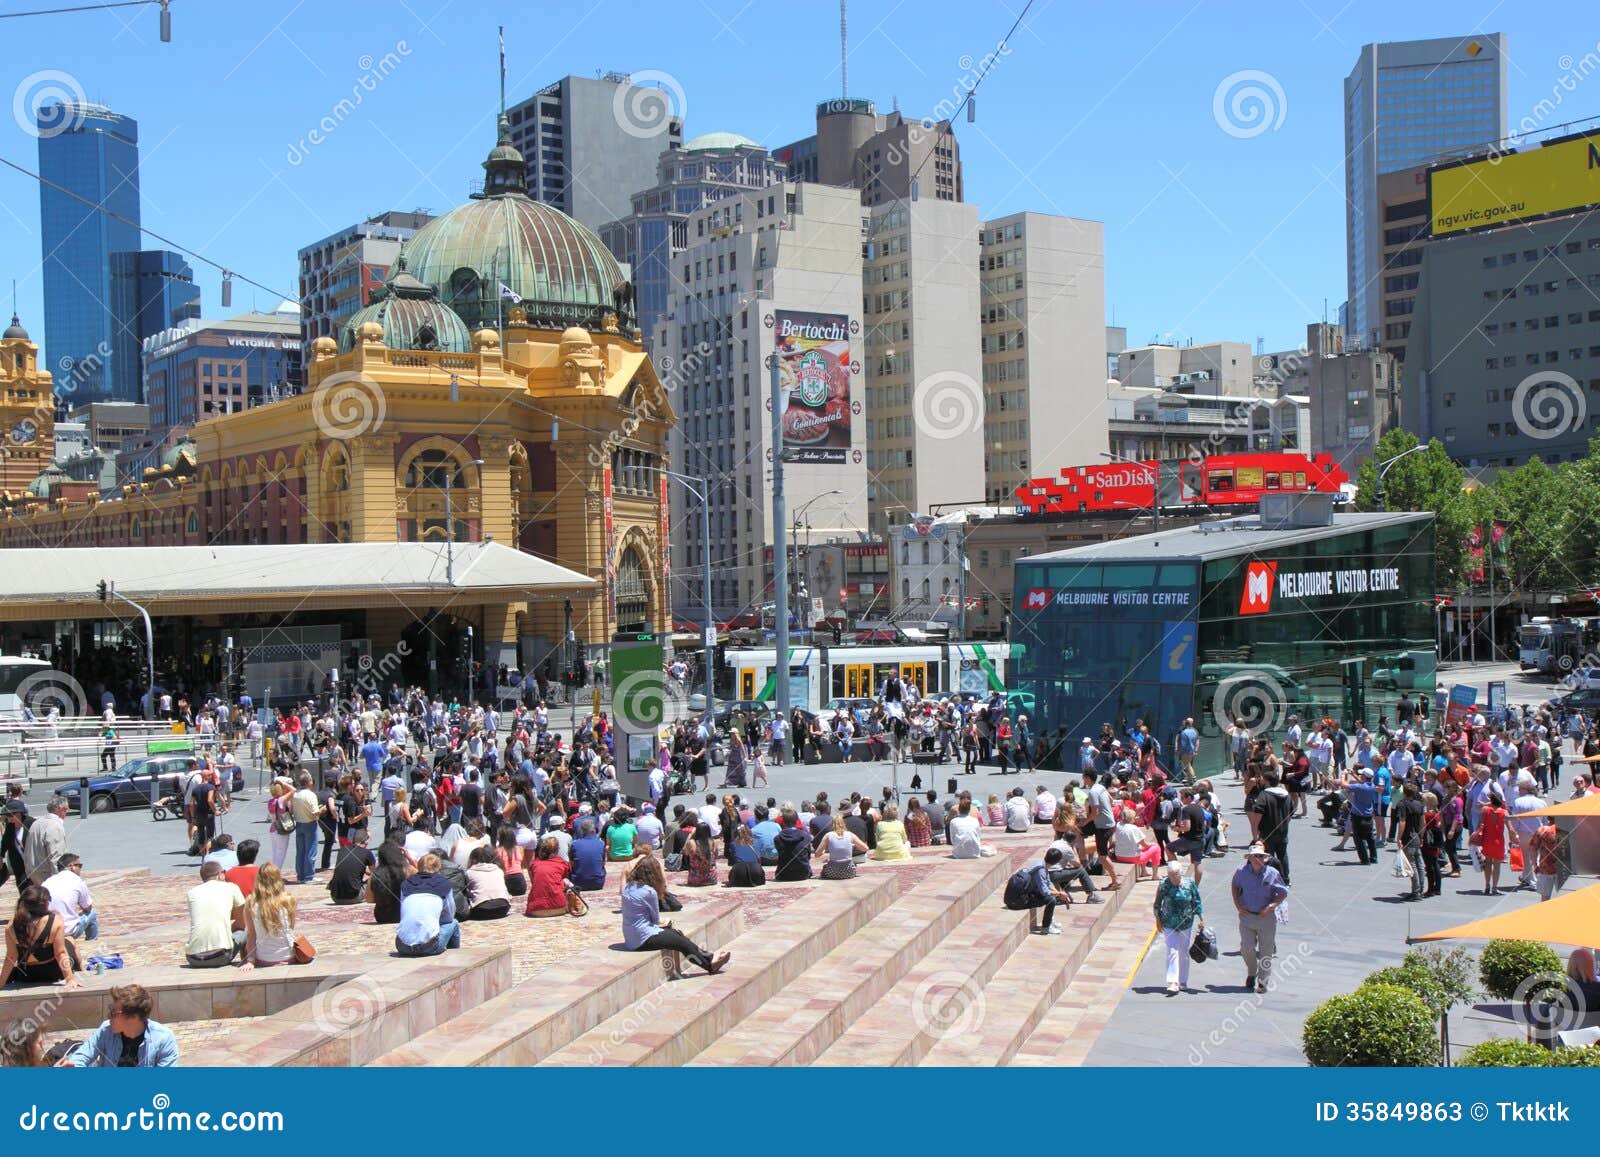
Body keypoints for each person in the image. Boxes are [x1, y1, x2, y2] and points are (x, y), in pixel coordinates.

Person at [621, 855, 730, 975]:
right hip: (643, 938)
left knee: (676, 934)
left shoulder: (628, 887)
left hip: (631, 937)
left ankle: (710, 957)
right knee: (680, 942)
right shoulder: (649, 892)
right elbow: (655, 920)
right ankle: (709, 964)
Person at [60, 985, 178, 1068]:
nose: (108, 1016)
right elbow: (84, 1054)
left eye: (113, 1012)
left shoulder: (164, 1039)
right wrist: (73, 1066)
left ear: (134, 1017)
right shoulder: (106, 1030)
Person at [1232, 844, 1288, 995]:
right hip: (1247, 915)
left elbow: (1283, 892)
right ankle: (1252, 972)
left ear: (1265, 858)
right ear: (1249, 858)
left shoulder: (1272, 873)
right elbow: (1235, 886)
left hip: (1266, 917)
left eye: (1261, 856)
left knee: (1266, 951)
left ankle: (1263, 982)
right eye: (1255, 856)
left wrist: (1271, 906)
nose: (1258, 859)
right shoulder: (1241, 872)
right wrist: (1238, 904)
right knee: (1246, 947)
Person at [2, 885, 81, 987]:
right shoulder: (55, 921)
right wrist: (69, 979)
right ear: (45, 903)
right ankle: (79, 973)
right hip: (53, 973)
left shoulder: (12, 925)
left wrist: (1, 983)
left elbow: (11, 956)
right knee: (70, 940)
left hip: (26, 975)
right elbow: (60, 953)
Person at [1153, 860, 1204, 995]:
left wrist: (1201, 918)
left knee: (1183, 951)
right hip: (1168, 922)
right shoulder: (1163, 884)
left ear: (1180, 872)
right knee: (1172, 950)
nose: (1173, 877)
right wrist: (1157, 920)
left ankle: (1182, 981)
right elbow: (1157, 904)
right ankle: (1173, 981)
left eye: (1175, 874)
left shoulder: (1189, 883)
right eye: (1170, 874)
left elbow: (1196, 900)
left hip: (1185, 923)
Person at [184, 861, 246, 968]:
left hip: (193, 957)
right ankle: (248, 960)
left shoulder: (192, 893)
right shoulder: (231, 887)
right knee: (247, 928)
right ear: (219, 874)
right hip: (220, 957)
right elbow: (241, 922)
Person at [396, 853, 459, 956]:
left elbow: (405, 913)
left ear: (418, 866)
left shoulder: (405, 884)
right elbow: (449, 916)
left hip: (402, 946)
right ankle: (455, 957)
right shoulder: (444, 884)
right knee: (454, 923)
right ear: (439, 868)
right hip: (429, 947)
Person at [240, 863, 301, 969]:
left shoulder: (251, 902)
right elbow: (290, 927)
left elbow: (251, 935)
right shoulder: (288, 899)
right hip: (288, 955)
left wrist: (250, 961)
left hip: (264, 958)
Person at [1003, 848, 1070, 935]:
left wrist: (1059, 892)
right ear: (1056, 862)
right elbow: (1045, 891)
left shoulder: (1041, 864)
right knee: (1051, 900)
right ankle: (1046, 927)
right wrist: (1059, 894)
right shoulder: (1040, 870)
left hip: (1022, 896)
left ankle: (1050, 921)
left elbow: (1048, 883)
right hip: (1018, 902)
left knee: (1052, 895)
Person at [42, 853, 98, 941]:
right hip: (68, 931)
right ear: (72, 866)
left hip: (48, 931)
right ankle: (92, 941)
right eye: (80, 866)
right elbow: (88, 908)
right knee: (93, 913)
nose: (80, 869)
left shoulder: (47, 882)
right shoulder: (77, 881)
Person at [21, 797, 68, 883]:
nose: (66, 813)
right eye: (66, 810)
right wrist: (61, 878)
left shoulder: (37, 822)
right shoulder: (55, 825)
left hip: (33, 871)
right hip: (46, 874)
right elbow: (56, 855)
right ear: (62, 809)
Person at [1474, 790, 1509, 896]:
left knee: (1488, 863)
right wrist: (1514, 838)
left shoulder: (1485, 810)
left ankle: (1487, 885)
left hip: (1487, 839)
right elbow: (1510, 828)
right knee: (1497, 865)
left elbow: (1479, 825)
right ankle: (1494, 887)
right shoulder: (1504, 812)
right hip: (1498, 841)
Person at [1112, 808, 1162, 881]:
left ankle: (1144, 871)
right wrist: (1152, 844)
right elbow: (1145, 845)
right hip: (1132, 858)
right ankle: (1155, 875)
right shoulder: (1134, 828)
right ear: (1131, 818)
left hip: (1119, 856)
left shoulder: (1119, 825)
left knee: (1140, 847)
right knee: (1156, 848)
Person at [289, 771, 321, 884]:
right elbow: (315, 813)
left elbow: (292, 810)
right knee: (311, 851)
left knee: (300, 850)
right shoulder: (311, 795)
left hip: (299, 823)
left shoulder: (295, 795)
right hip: (310, 824)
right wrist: (322, 810)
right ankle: (309, 876)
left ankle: (300, 875)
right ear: (308, 783)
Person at [328, 829, 374, 905]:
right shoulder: (367, 853)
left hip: (335, 897)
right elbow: (375, 874)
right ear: (366, 841)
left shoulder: (342, 850)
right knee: (376, 880)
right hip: (354, 896)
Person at [772, 809, 813, 881]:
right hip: (803, 874)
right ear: (797, 820)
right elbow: (808, 856)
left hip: (783, 874)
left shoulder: (777, 838)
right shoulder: (806, 836)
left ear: (783, 822)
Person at [569, 819, 607, 892]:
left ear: (581, 831)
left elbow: (572, 863)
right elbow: (603, 863)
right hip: (598, 883)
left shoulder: (574, 844)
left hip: (578, 883)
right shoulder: (601, 843)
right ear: (593, 831)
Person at [1531, 815, 1562, 902]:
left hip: (1545, 868)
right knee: (1564, 896)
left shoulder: (1542, 830)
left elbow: (1533, 849)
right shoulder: (1565, 829)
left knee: (1545, 897)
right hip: (1563, 868)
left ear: (1548, 818)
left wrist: (1535, 865)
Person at [685, 822, 719, 887]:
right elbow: (716, 856)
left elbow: (685, 852)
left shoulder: (692, 843)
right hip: (712, 878)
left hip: (696, 879)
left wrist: (691, 835)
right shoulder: (713, 842)